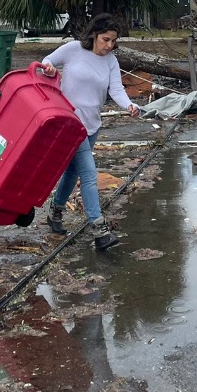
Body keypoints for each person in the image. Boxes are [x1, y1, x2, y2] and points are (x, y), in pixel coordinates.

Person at [40, 14, 140, 251]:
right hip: (70, 123)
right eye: (106, 39)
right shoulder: (73, 50)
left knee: (73, 172)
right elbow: (47, 60)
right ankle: (99, 228)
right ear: (94, 34)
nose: (109, 45)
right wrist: (49, 68)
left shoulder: (111, 61)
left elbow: (115, 88)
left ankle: (55, 212)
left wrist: (129, 105)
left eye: (113, 41)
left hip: (92, 125)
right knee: (88, 173)